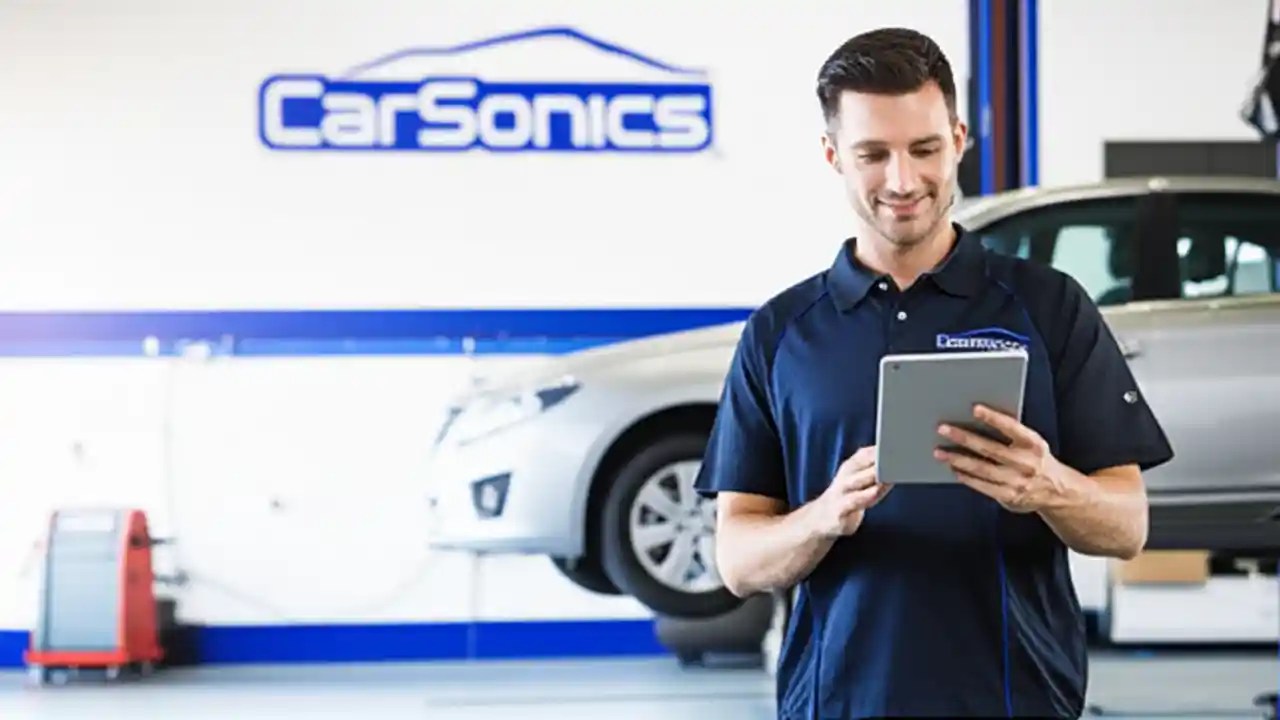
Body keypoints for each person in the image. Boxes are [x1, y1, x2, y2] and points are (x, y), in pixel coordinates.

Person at [692, 27, 1174, 719]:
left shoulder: (1048, 306)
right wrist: (825, 517)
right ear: (833, 156)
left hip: (1019, 700)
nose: (902, 180)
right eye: (872, 154)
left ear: (959, 139)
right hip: (839, 702)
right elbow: (738, 561)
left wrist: (1047, 485)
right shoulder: (780, 332)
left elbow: (1127, 526)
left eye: (924, 150)